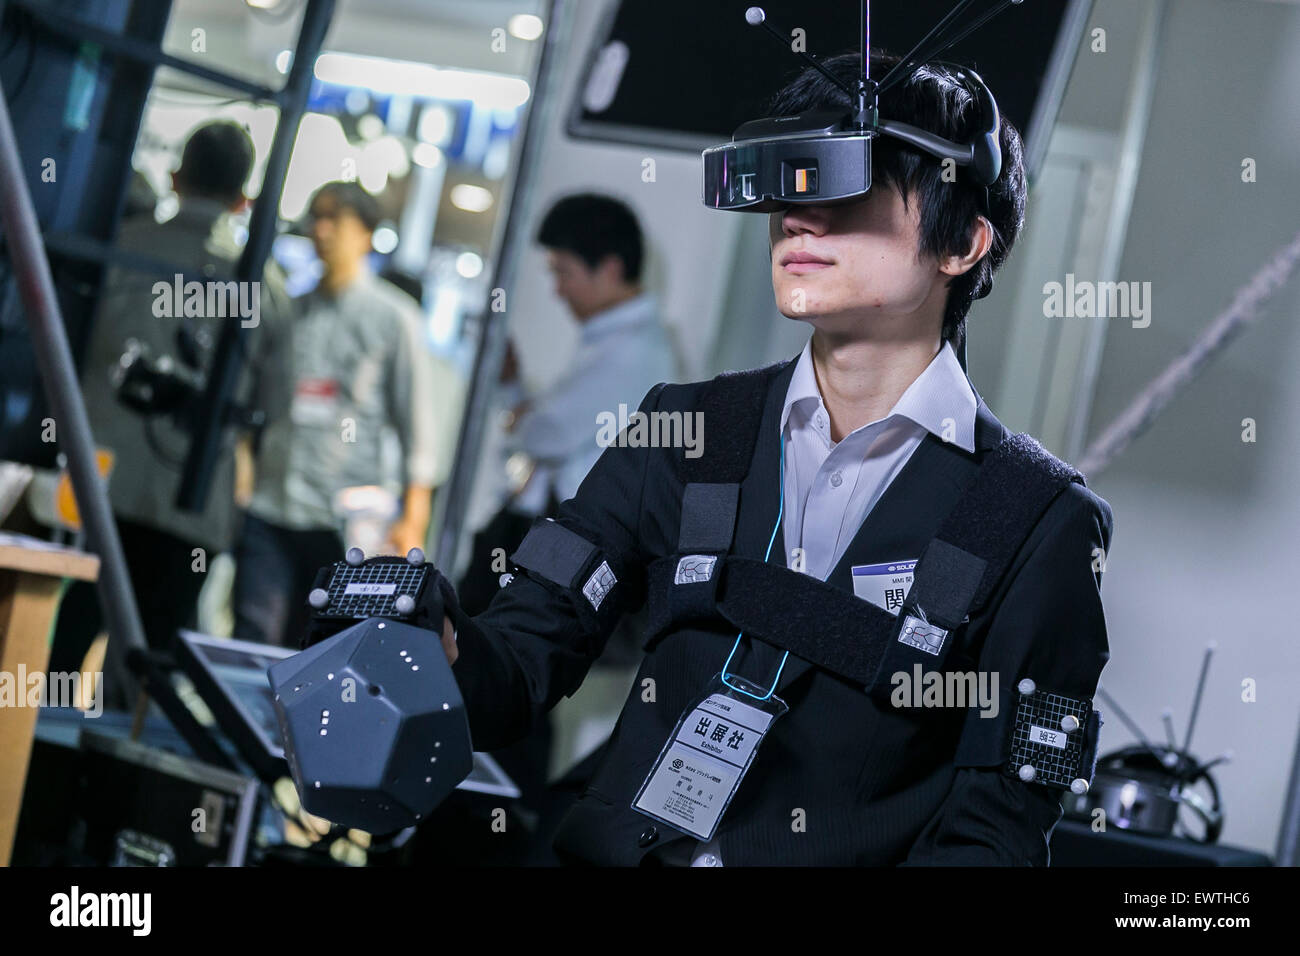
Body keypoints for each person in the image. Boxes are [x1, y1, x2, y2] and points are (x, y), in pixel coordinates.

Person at [428, 51, 1115, 865]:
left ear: (963, 241)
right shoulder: (685, 430)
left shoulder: (1034, 521)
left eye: (849, 184)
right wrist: (438, 645)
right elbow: (518, 665)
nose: (800, 217)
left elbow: (993, 833)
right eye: (790, 182)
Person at [51, 120, 291, 678]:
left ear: (177, 176)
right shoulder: (266, 290)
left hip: (94, 488)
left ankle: (29, 758)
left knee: (60, 643)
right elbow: (274, 409)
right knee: (151, 673)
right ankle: (119, 766)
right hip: (192, 507)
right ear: (243, 199)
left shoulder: (119, 246)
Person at [234, 181, 438, 648]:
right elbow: (254, 407)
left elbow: (417, 426)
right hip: (272, 503)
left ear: (366, 233)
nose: (321, 230)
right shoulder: (288, 313)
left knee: (326, 646)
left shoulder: (395, 319)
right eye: (315, 218)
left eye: (335, 219)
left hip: (346, 519)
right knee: (253, 634)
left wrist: (414, 516)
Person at [459, 193, 678, 615]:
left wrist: (521, 415)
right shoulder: (614, 342)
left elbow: (547, 436)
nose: (557, 291)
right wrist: (520, 402)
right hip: (553, 532)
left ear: (610, 268)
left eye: (564, 273)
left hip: (562, 539)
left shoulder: (631, 352)